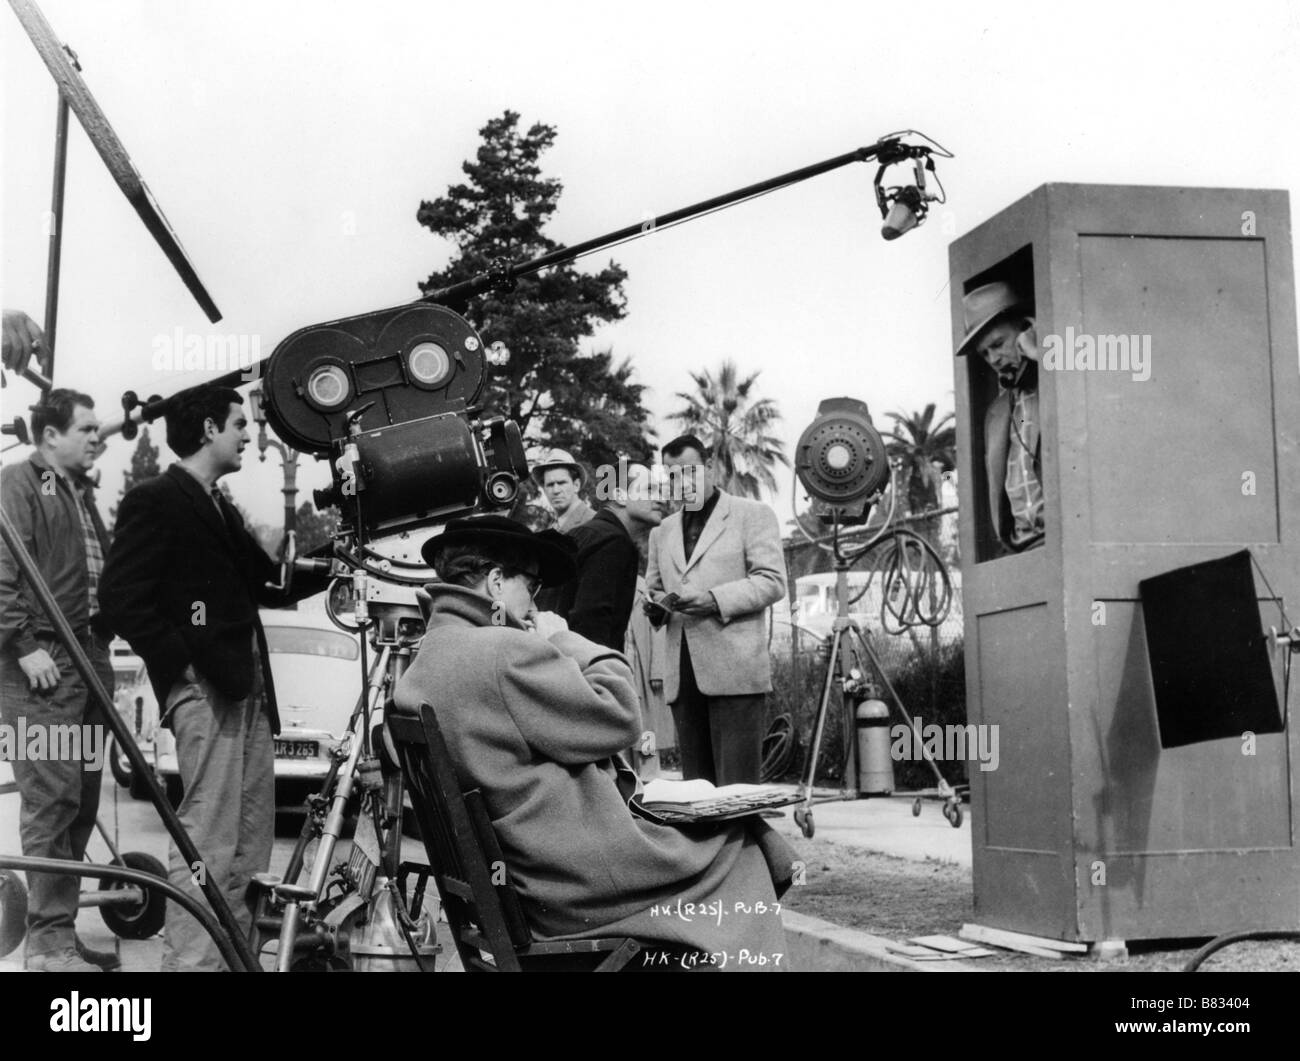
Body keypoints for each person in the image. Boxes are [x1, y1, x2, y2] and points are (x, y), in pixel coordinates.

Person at [393, 515, 793, 964]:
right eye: (532, 587)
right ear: (496, 582)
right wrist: (565, 638)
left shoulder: (427, 659)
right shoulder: (502, 650)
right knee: (743, 844)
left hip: (525, 881)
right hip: (573, 883)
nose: (534, 605)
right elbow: (620, 716)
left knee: (730, 837)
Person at [98, 382, 326, 971]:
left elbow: (267, 580)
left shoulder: (218, 503)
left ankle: (233, 961)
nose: (248, 434)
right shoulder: (157, 498)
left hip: (244, 690)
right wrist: (181, 663)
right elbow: (120, 596)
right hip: (207, 688)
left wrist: (336, 559)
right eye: (238, 424)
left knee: (249, 842)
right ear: (207, 429)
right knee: (209, 838)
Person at [0, 388, 117, 972]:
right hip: (42, 665)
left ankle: (60, 931)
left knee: (81, 801)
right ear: (50, 436)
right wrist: (22, 646)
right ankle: (46, 947)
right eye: (86, 429)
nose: (98, 437)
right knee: (51, 801)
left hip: (88, 659)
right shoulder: (20, 484)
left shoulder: (74, 491)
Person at [645, 435, 787, 785]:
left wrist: (714, 600)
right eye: (672, 475)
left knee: (738, 791)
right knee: (698, 790)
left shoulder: (752, 515)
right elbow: (654, 587)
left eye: (688, 472)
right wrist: (658, 606)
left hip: (734, 671)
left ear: (709, 467)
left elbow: (772, 581)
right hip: (682, 675)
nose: (681, 483)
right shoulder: (662, 532)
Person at [955, 281, 1045, 554]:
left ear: (1026, 328)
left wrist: (1043, 353)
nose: (993, 359)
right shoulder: (997, 414)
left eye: (998, 344)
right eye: (985, 353)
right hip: (1022, 550)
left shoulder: (1059, 383)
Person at [538, 461, 663, 650]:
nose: (661, 499)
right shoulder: (613, 541)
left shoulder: (585, 534)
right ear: (620, 496)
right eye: (650, 489)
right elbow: (591, 623)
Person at [532, 448, 594, 533]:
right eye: (550, 485)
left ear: (576, 485)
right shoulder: (551, 525)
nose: (556, 491)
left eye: (561, 483)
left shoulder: (592, 522)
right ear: (544, 489)